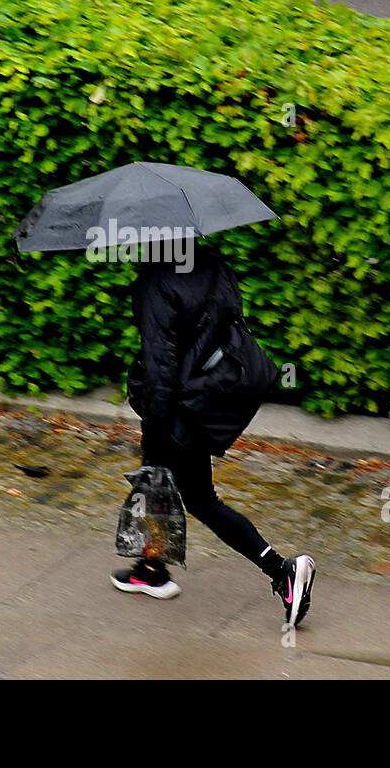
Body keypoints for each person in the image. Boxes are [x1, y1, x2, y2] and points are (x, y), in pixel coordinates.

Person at [111, 237, 317, 628]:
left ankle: (282, 570)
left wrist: (156, 422)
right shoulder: (210, 263)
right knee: (158, 481)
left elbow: (161, 363)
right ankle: (151, 569)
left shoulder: (157, 282)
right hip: (209, 393)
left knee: (200, 499)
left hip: (179, 405)